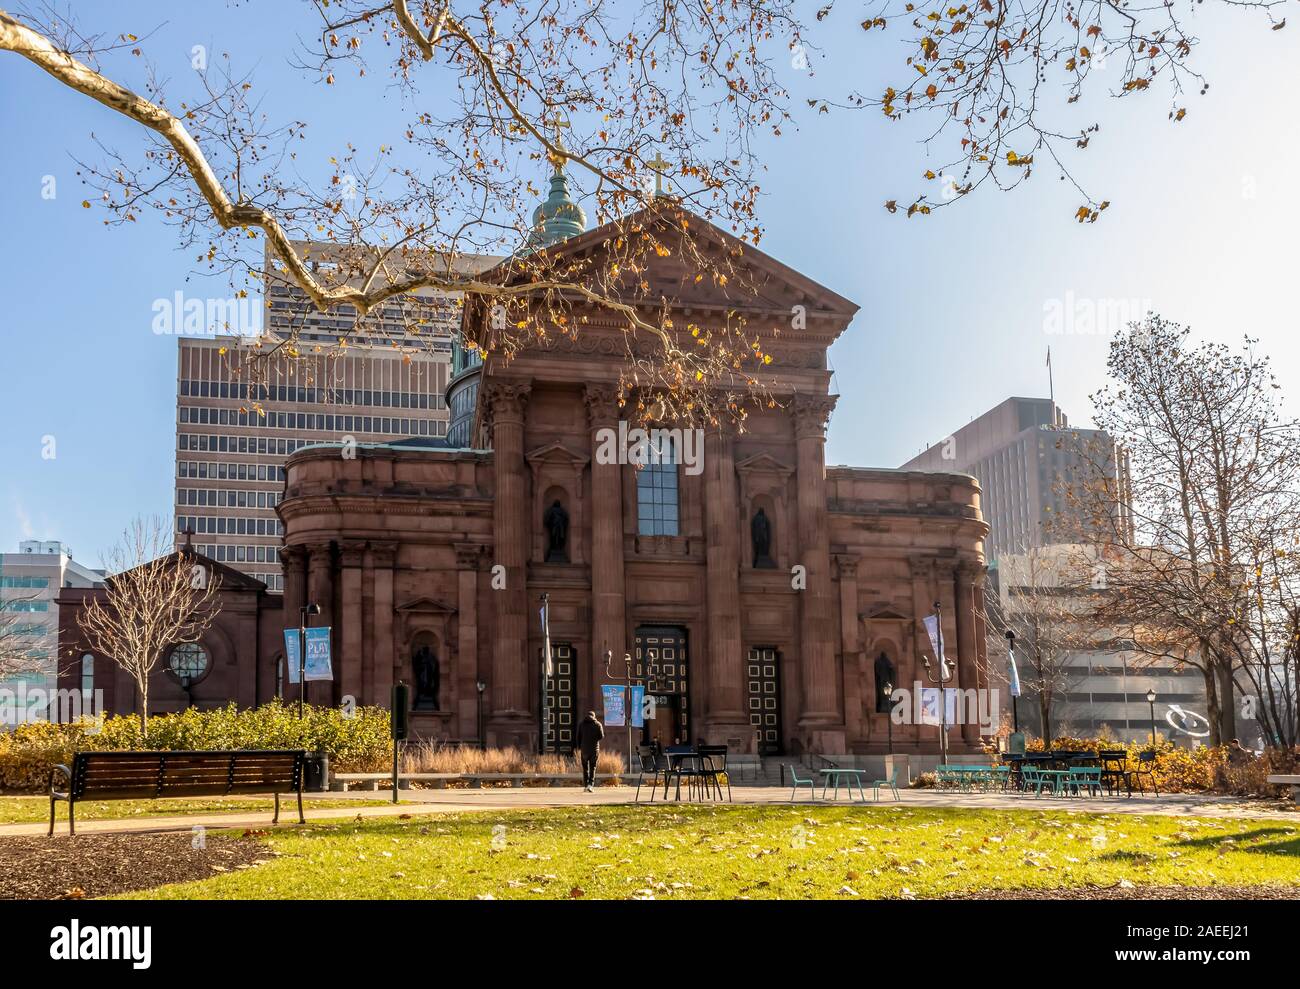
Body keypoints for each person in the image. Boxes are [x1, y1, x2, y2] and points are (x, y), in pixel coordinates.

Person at [575, 710, 604, 792]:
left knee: (585, 768)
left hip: (584, 750)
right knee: (593, 767)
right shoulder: (598, 724)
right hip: (595, 750)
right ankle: (590, 785)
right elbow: (601, 736)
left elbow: (578, 737)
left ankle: (585, 785)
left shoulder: (581, 724)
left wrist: (579, 747)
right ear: (594, 716)